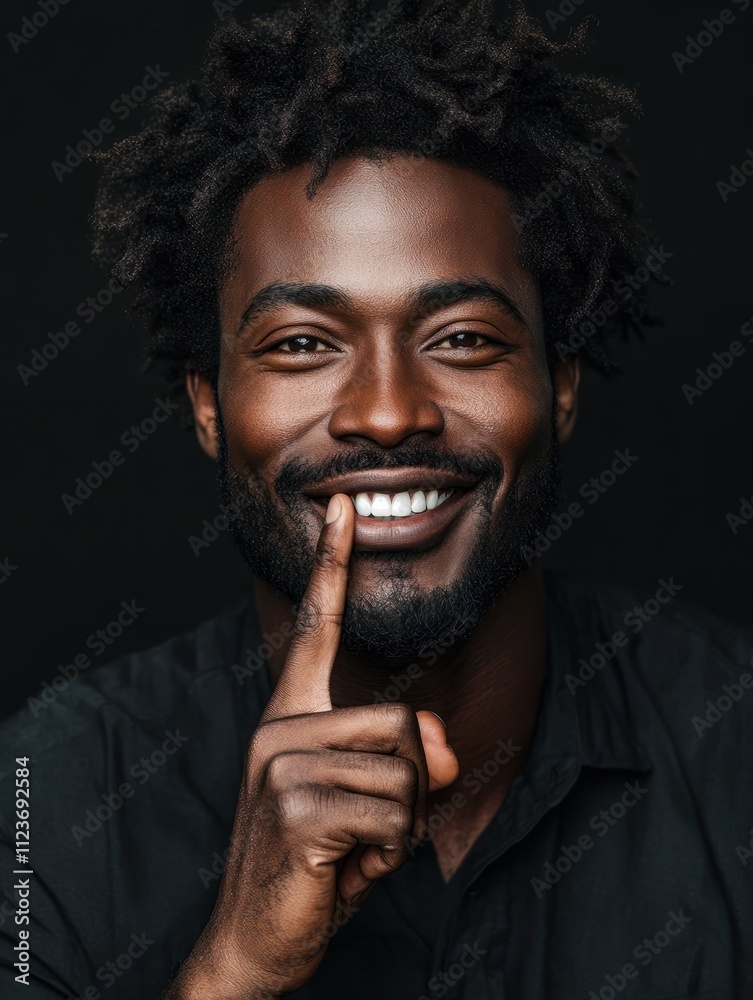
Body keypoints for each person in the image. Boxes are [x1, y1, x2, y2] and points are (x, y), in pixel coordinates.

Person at [1, 1, 751, 997]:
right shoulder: (41, 796)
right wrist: (233, 971)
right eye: (304, 344)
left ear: (559, 387)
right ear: (209, 407)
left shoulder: (734, 745)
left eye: (464, 340)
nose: (391, 414)